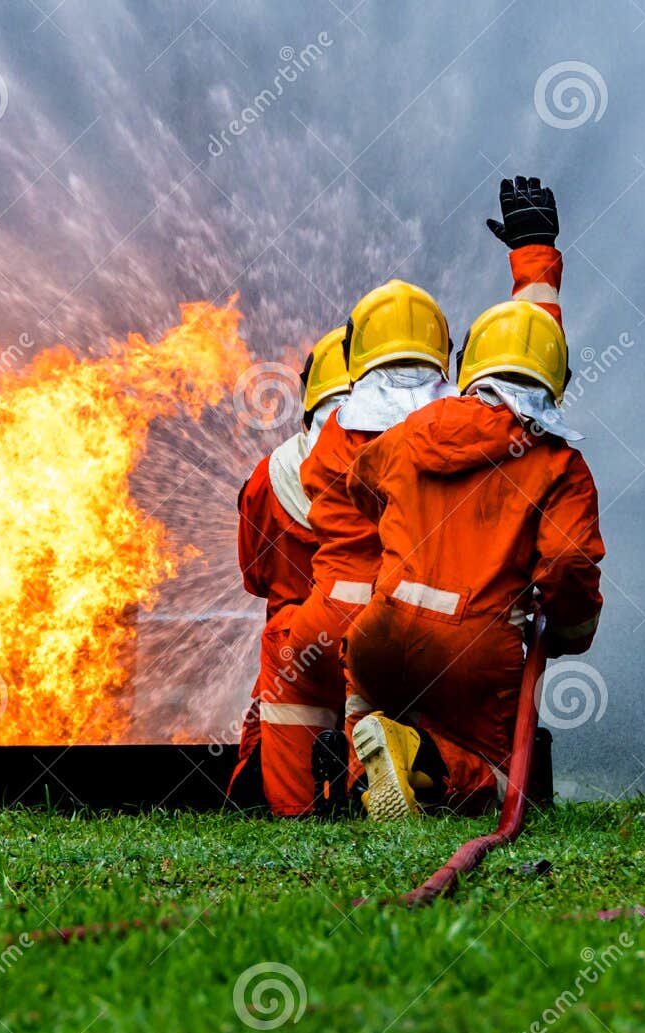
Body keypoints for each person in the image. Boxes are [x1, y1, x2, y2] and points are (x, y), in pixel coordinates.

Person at [343, 175, 605, 820]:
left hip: (380, 626)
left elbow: (362, 485)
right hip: (473, 640)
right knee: (490, 772)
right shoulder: (555, 461)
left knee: (368, 708)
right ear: (558, 380)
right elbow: (569, 564)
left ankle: (365, 780)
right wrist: (572, 628)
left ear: (466, 364)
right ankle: (422, 765)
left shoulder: (412, 428)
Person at [256, 281, 456, 816]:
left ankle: (301, 804)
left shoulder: (314, 454)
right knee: (464, 716)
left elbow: (259, 575)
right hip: (435, 619)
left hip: (330, 619)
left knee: (285, 647)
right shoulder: (463, 427)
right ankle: (431, 777)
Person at [230, 328, 350, 806]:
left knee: (286, 786)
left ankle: (290, 799)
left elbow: (255, 577)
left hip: (292, 653)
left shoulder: (268, 475)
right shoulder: (402, 463)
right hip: (384, 642)